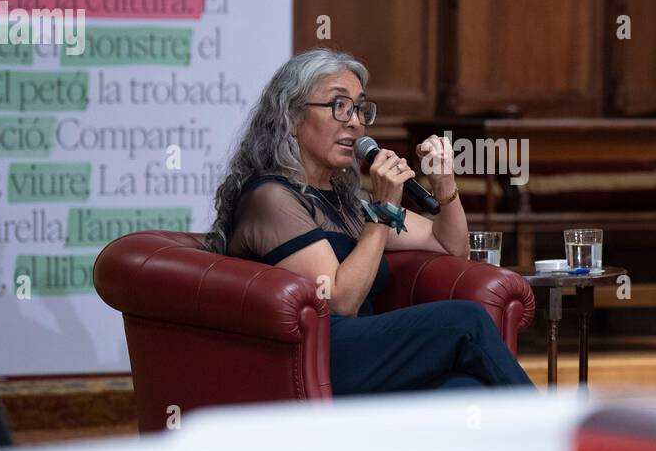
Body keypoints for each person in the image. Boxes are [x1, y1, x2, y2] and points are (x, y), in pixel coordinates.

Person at [204, 49, 536, 395]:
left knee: (465, 388)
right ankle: (555, 425)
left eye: (360, 108)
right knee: (466, 320)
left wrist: (444, 186)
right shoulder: (271, 198)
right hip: (313, 358)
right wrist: (383, 209)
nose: (355, 122)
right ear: (291, 118)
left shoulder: (345, 202)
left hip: (360, 352)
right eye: (339, 105)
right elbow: (339, 301)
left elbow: (449, 245)